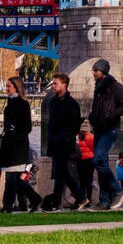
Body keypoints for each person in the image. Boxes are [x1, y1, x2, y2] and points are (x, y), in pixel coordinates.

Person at [88, 58, 123, 209]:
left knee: (97, 159)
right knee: (101, 164)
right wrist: (92, 118)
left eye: (96, 70)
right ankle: (104, 201)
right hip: (99, 129)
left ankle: (117, 190)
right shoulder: (97, 87)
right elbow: (95, 106)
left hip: (111, 129)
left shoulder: (115, 87)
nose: (93, 73)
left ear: (103, 72)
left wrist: (111, 115)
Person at [43, 73, 86, 210]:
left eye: (56, 83)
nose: (53, 86)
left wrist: (65, 138)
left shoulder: (72, 104)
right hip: (55, 143)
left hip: (65, 145)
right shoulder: (53, 102)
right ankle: (75, 199)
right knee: (60, 174)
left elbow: (74, 126)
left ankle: (76, 199)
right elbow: (52, 125)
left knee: (62, 173)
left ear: (64, 85)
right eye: (53, 83)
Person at [0, 76, 42, 212]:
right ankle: (24, 202)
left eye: (9, 86)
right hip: (9, 145)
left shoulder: (23, 105)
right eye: (6, 86)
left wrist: (15, 134)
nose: (6, 89)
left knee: (12, 178)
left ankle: (9, 205)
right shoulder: (9, 104)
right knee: (12, 177)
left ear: (16, 87)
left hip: (18, 147)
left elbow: (27, 127)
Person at [76, 128, 96, 205]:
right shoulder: (91, 136)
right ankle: (89, 200)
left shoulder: (76, 136)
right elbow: (94, 148)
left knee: (81, 182)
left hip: (79, 160)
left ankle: (82, 200)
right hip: (89, 160)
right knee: (89, 181)